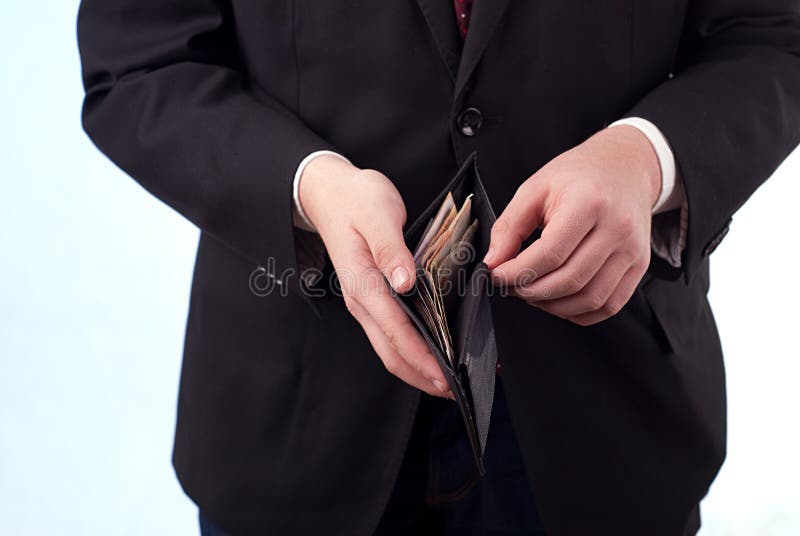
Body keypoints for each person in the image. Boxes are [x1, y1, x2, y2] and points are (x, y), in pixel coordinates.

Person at [76, 0, 800, 534]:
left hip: (606, 411)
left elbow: (774, 38)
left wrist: (648, 156)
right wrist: (307, 185)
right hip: (296, 418)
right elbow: (139, 61)